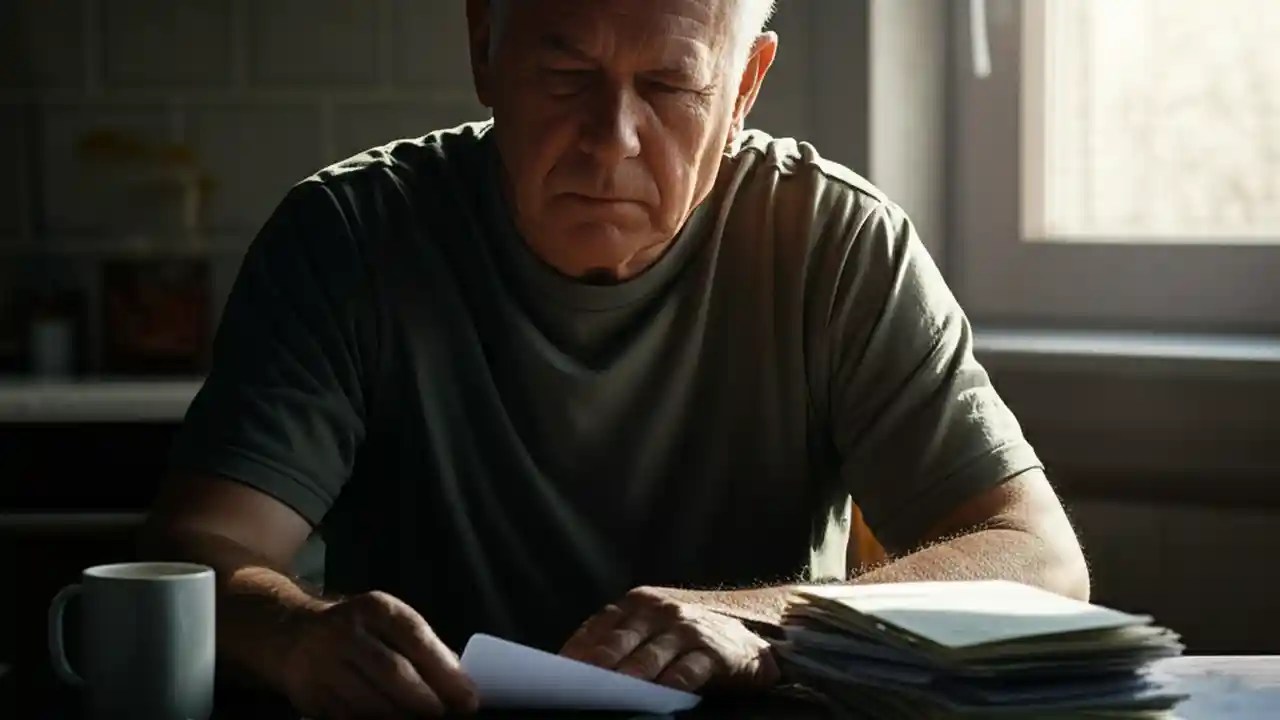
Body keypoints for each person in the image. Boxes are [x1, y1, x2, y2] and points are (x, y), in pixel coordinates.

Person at [140, 0, 1089, 717]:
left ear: (745, 84)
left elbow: (1039, 560)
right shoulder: (349, 238)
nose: (613, 140)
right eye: (564, 74)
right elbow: (197, 550)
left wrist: (763, 620)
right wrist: (300, 635)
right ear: (485, 45)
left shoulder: (834, 243)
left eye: (672, 87)